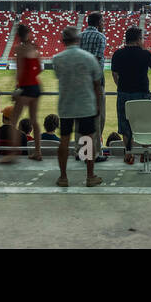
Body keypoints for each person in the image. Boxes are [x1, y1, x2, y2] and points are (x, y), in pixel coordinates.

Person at [51, 25, 104, 188]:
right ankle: (90, 176)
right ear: (78, 40)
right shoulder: (89, 58)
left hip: (66, 105)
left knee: (65, 141)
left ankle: (63, 177)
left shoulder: (57, 58)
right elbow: (96, 84)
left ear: (63, 41)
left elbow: (59, 76)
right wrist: (98, 104)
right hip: (86, 104)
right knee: (88, 140)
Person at [110, 26, 151, 165]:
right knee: (144, 124)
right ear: (138, 39)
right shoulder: (145, 54)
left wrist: (120, 87)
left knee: (125, 126)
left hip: (123, 93)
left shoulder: (117, 54)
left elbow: (114, 74)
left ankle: (128, 154)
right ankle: (145, 154)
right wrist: (144, 49)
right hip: (142, 94)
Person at [4, 24, 44, 162]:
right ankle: (38, 152)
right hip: (36, 87)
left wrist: (16, 90)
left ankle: (13, 153)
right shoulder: (34, 48)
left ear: (18, 36)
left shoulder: (20, 48)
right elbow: (40, 69)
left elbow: (19, 72)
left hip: (26, 87)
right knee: (34, 121)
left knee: (13, 121)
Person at [79, 12, 108, 154]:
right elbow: (96, 60)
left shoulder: (79, 37)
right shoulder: (100, 37)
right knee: (98, 116)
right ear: (99, 22)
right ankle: (95, 152)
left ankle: (81, 151)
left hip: (81, 81)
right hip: (95, 82)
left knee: (81, 117)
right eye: (102, 22)